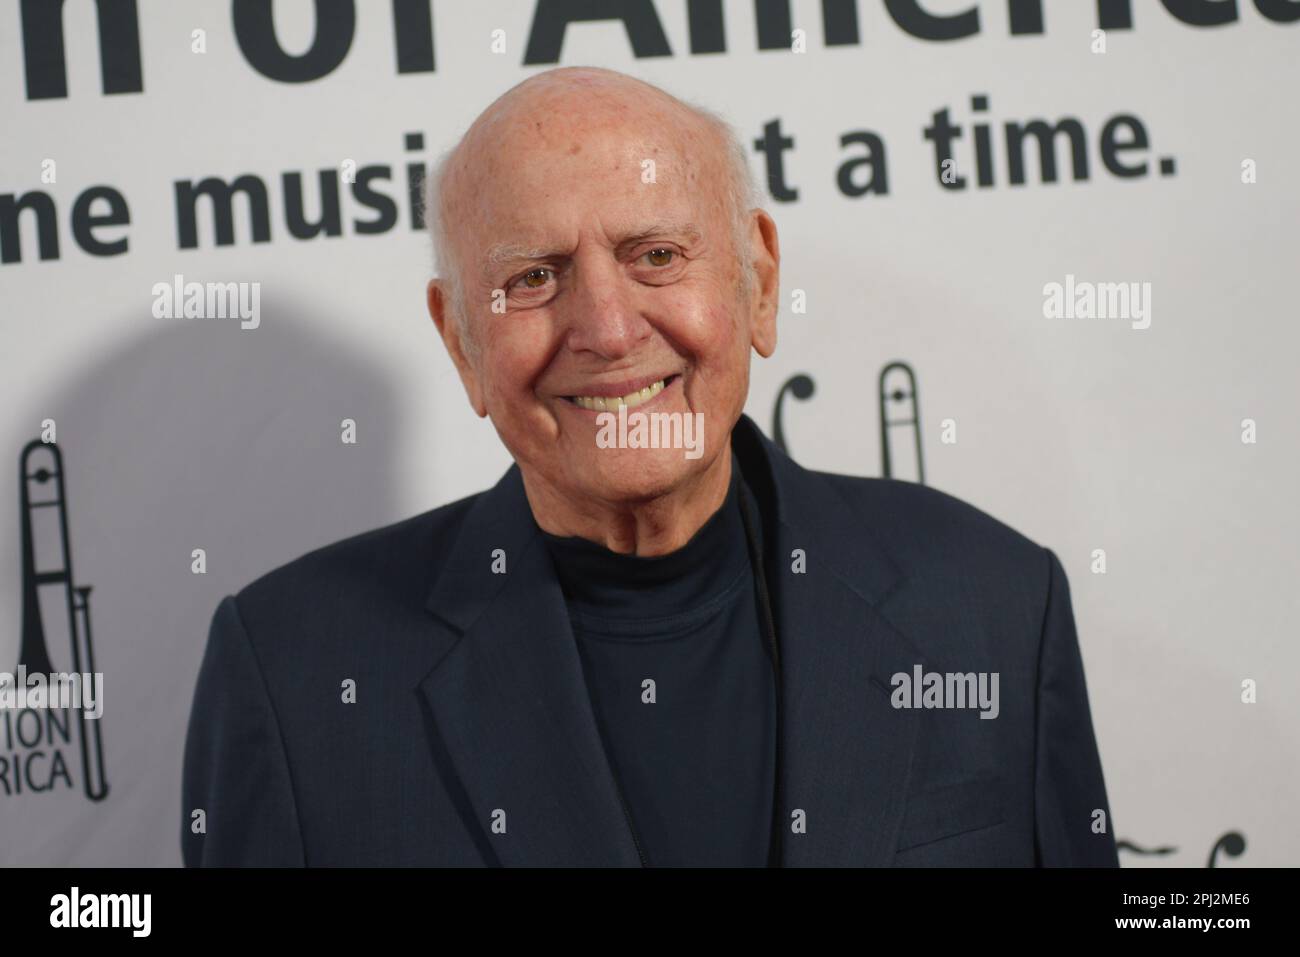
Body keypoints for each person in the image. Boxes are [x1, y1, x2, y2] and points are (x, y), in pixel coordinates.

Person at [182, 66, 1117, 867]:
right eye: (533, 279)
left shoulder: (991, 602)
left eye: (658, 255)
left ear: (758, 281)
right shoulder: (293, 677)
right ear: (459, 340)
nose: (609, 329)